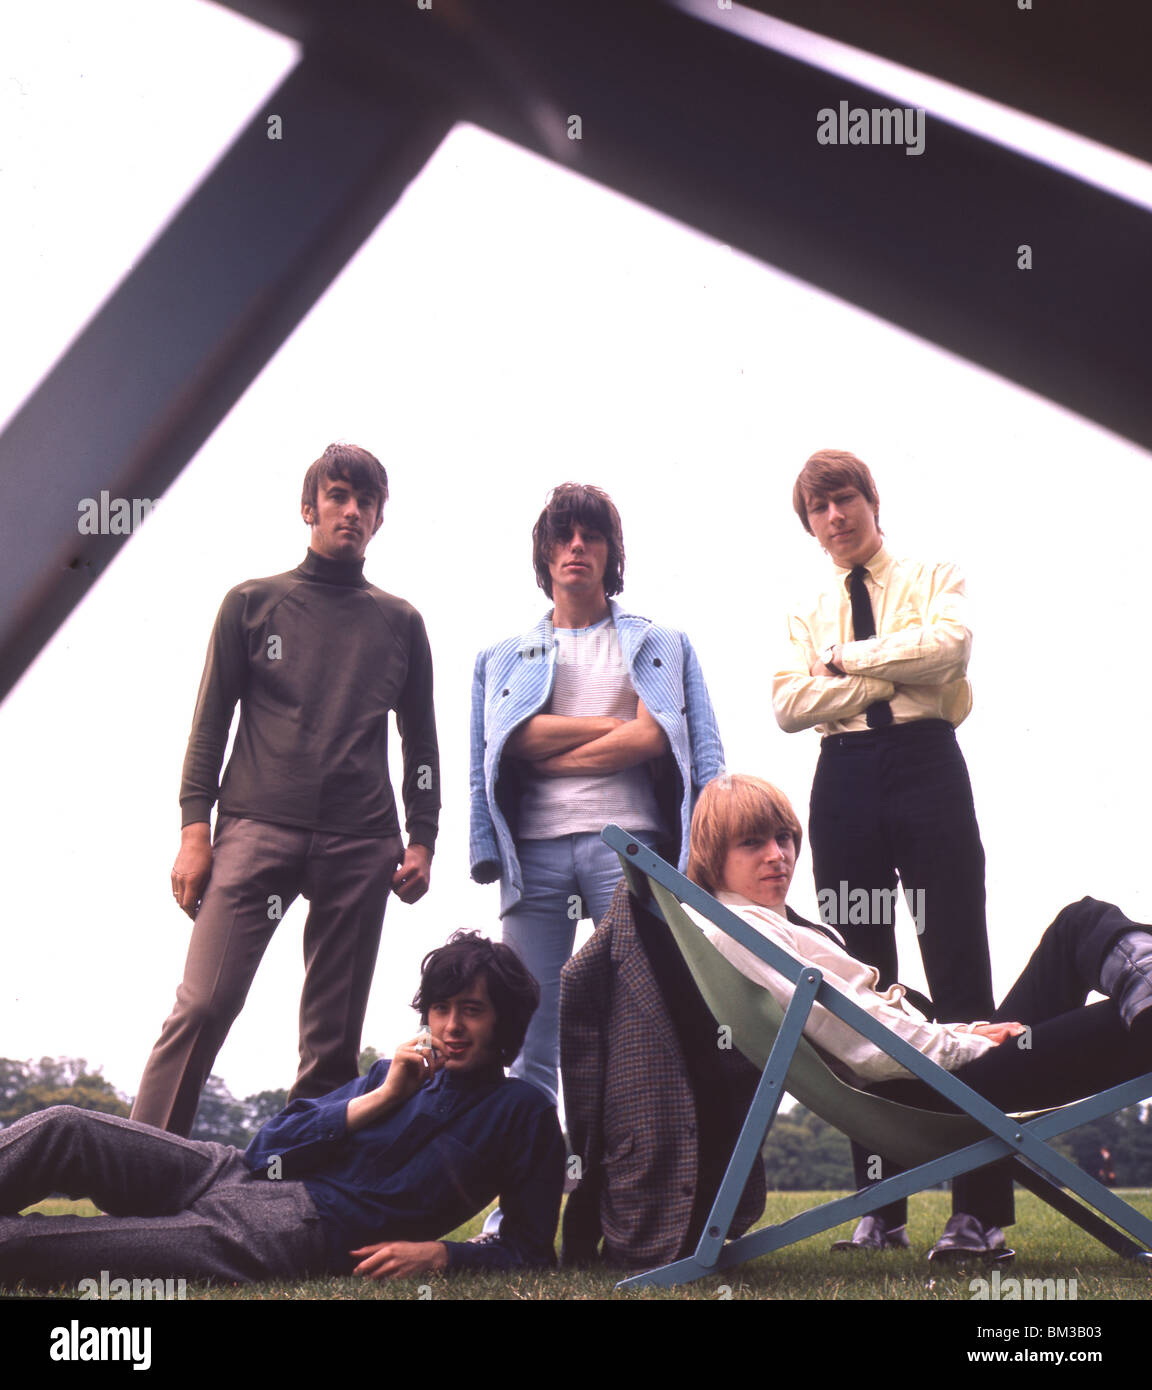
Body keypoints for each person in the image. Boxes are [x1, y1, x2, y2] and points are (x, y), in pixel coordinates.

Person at [683, 774, 1152, 1262]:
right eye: (751, 843)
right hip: (936, 1093)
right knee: (1101, 966)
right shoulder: (744, 935)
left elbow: (870, 1026)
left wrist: (967, 1033)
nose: (777, 855)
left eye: (783, 838)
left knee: (1078, 930)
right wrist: (972, 1047)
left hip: (931, 1079)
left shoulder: (755, 926)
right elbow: (860, 1035)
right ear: (714, 855)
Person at [132, 443, 440, 1136]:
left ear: (378, 521)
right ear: (309, 508)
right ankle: (137, 1175)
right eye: (338, 496)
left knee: (330, 1043)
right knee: (203, 1005)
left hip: (361, 842)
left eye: (367, 502)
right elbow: (210, 724)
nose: (352, 511)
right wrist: (193, 833)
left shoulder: (400, 623)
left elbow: (419, 743)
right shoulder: (251, 604)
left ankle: (303, 1195)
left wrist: (423, 837)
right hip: (254, 827)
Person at [0, 934, 566, 1289]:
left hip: (290, 1231)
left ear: (504, 1021)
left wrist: (444, 1254)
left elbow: (530, 1250)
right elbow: (266, 1149)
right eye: (440, 1008)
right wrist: (384, 1097)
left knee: (37, 1247)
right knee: (64, 1129)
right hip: (223, 1170)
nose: (451, 1027)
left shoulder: (524, 1113)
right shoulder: (391, 1075)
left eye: (471, 1010)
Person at [469, 482, 724, 1103]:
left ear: (612, 552)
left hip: (632, 847)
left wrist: (712, 850)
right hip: (533, 853)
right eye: (563, 535)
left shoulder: (660, 642)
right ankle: (526, 1198)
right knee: (529, 1031)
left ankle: (626, 1196)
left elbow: (671, 744)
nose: (576, 546)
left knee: (639, 1019)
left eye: (592, 535)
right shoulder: (507, 654)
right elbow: (502, 750)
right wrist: (617, 727)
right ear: (545, 553)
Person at [772, 449, 992, 1024]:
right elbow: (789, 705)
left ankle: (983, 1094)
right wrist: (884, 684)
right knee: (857, 959)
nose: (835, 516)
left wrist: (842, 659)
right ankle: (896, 1100)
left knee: (955, 939)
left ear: (872, 502)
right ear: (811, 526)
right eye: (818, 508)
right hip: (844, 778)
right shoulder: (806, 610)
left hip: (929, 765)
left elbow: (949, 651)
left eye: (845, 499)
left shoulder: (935, 575)